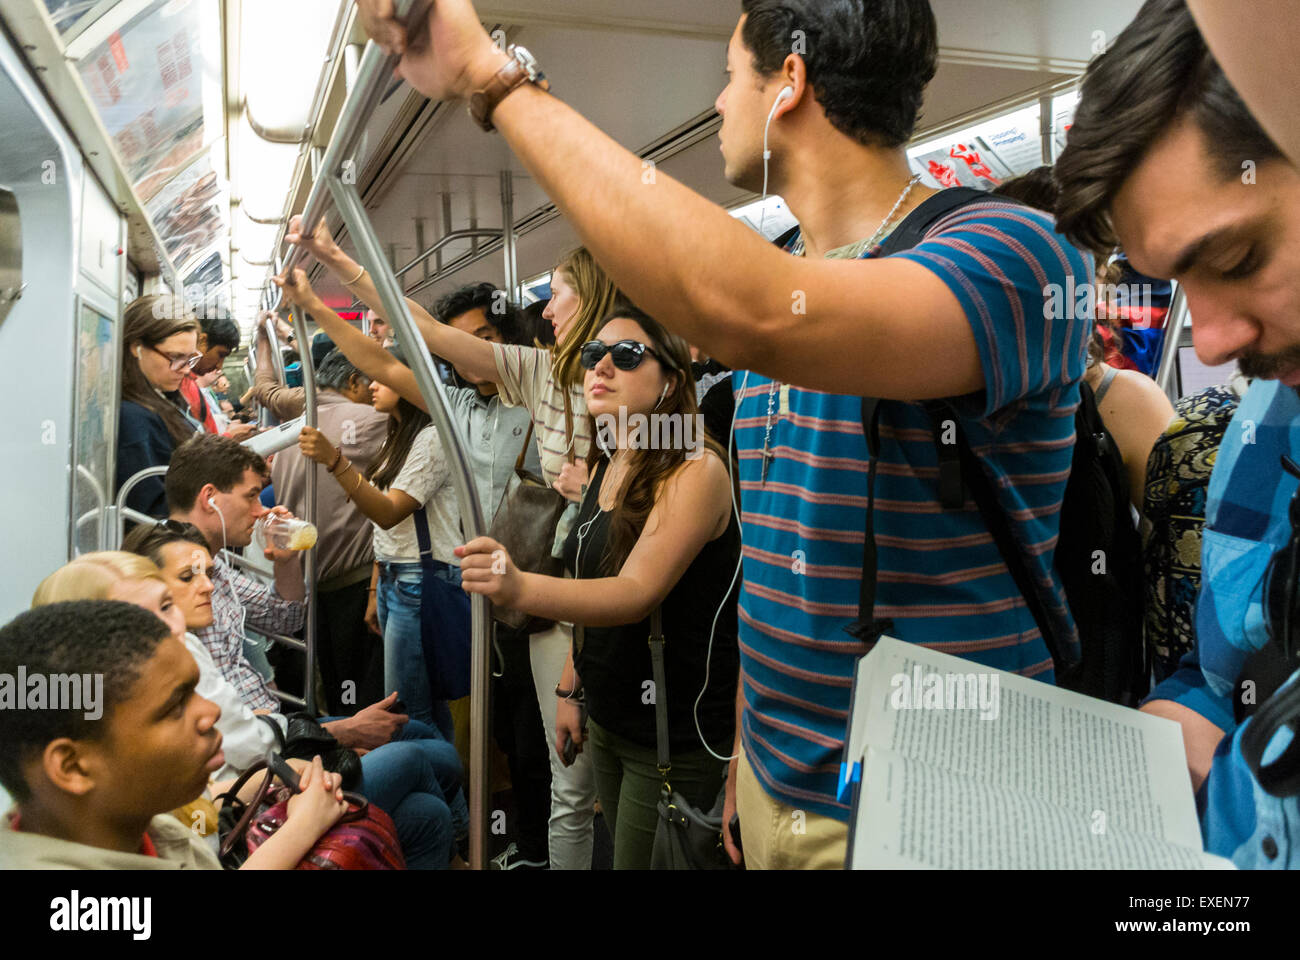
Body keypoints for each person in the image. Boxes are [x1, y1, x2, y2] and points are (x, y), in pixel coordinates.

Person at [354, 0, 1095, 869]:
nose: (714, 106)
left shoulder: (1013, 249)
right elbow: (777, 562)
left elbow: (746, 309)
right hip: (782, 777)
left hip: (934, 798)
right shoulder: (787, 284)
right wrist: (755, 749)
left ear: (791, 81)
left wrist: (494, 78)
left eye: (728, 76)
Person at [277, 240, 620, 870]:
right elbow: (383, 355)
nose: (549, 313)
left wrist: (592, 489)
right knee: (528, 736)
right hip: (499, 591)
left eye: (481, 335)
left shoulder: (555, 383)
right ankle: (521, 843)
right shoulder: (462, 404)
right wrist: (322, 297)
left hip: (567, 582)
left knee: (589, 760)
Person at [1054, 0, 1300, 795]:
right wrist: (1176, 718)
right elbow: (1224, 665)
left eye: (1234, 257)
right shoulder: (1265, 426)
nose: (1217, 340)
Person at [458, 306, 740, 869]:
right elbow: (590, 577)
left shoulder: (695, 468)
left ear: (671, 382)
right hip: (612, 718)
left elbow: (635, 592)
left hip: (672, 731)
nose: (600, 367)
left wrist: (518, 589)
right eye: (592, 355)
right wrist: (571, 689)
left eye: (627, 356)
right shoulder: (613, 456)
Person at [106, 530, 467, 869]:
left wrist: (287, 767)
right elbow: (243, 751)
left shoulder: (182, 641)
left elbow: (288, 617)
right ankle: (468, 844)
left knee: (426, 810)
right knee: (421, 757)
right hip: (256, 793)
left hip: (263, 767)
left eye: (208, 574)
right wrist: (305, 800)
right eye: (182, 584)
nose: (207, 587)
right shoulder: (150, 681)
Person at [0, 600, 349, 869]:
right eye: (174, 706)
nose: (210, 712)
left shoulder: (153, 828)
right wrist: (303, 827)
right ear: (74, 767)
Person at [296, 348, 458, 742]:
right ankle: (446, 787)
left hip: (419, 582)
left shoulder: (433, 438)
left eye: (382, 377)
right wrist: (374, 588)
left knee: (408, 708)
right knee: (424, 701)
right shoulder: (396, 433)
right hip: (393, 578)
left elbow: (388, 513)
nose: (370, 385)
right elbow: (383, 533)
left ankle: (438, 797)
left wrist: (335, 461)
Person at [270, 348, 389, 716]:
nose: (375, 392)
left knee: (337, 691)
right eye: (371, 383)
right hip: (357, 586)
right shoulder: (372, 420)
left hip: (309, 586)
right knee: (364, 697)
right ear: (353, 381)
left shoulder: (288, 433)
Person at [162, 433, 306, 712]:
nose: (260, 510)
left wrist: (286, 562)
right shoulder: (179, 580)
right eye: (251, 496)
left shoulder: (214, 565)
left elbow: (285, 619)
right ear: (209, 498)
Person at [117, 295, 203, 518]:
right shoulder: (133, 419)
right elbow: (149, 511)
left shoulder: (163, 399)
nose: (185, 369)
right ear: (136, 347)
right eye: (175, 358)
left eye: (189, 359)